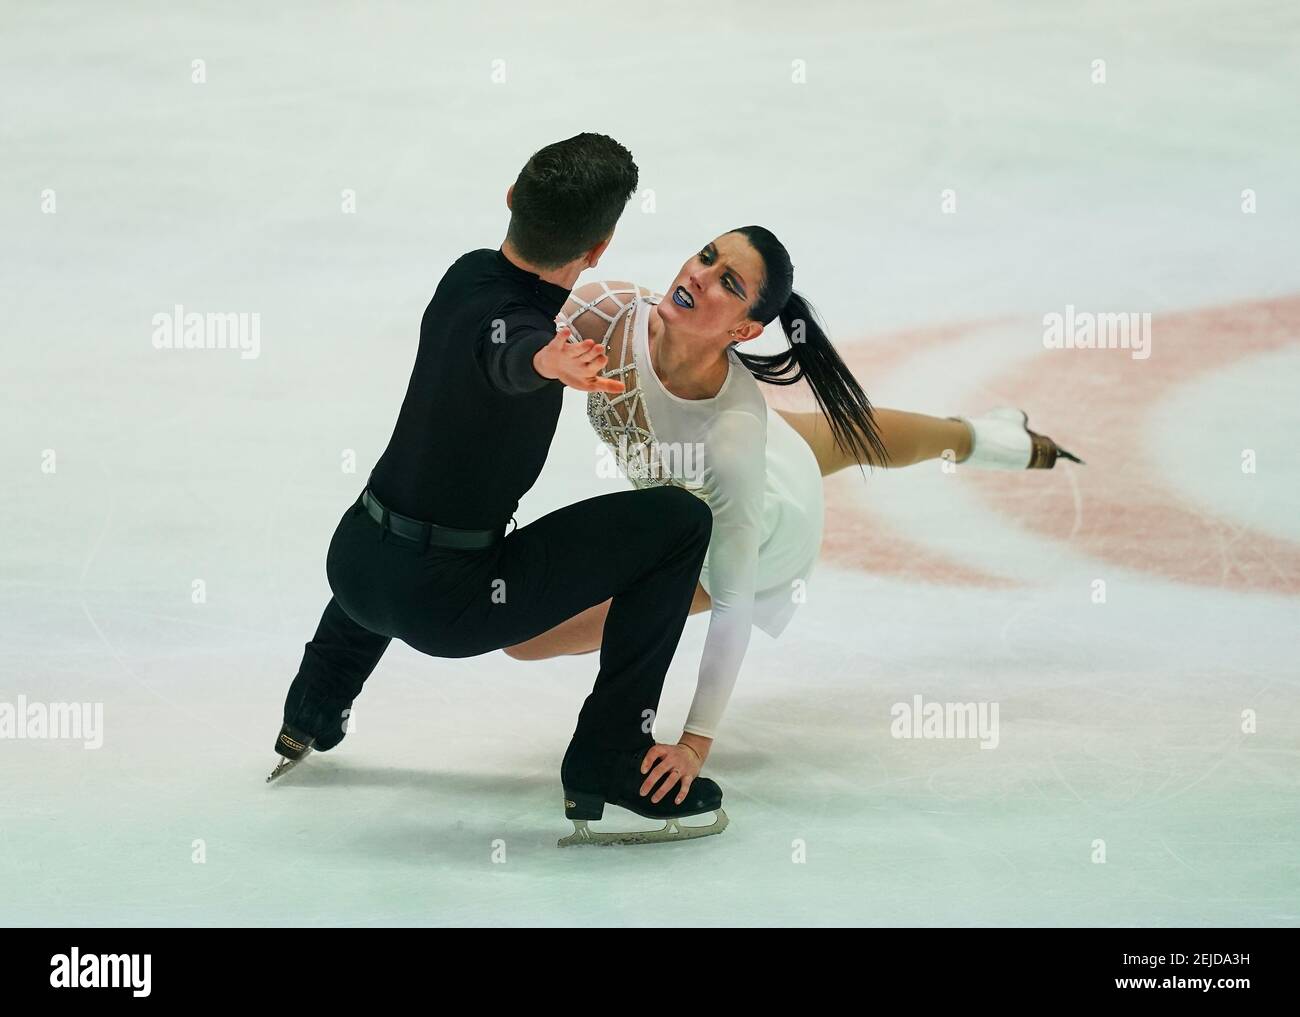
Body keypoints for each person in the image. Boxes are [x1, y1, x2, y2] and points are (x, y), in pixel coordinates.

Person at [504, 226, 1082, 797]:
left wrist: (694, 744)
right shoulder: (608, 312)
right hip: (769, 451)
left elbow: (732, 603)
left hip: (764, 533)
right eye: (707, 257)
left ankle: (990, 438)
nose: (699, 276)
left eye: (726, 282)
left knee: (523, 635)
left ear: (744, 329)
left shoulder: (730, 438)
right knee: (848, 436)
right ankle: (994, 437)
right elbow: (510, 352)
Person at [271, 134, 730, 847]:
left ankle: (311, 709)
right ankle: (609, 755)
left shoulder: (466, 275)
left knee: (412, 504)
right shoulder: (527, 327)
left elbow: (498, 337)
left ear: (512, 196)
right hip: (446, 605)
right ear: (601, 248)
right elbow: (507, 349)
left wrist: (541, 352)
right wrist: (545, 358)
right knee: (679, 523)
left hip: (355, 561)